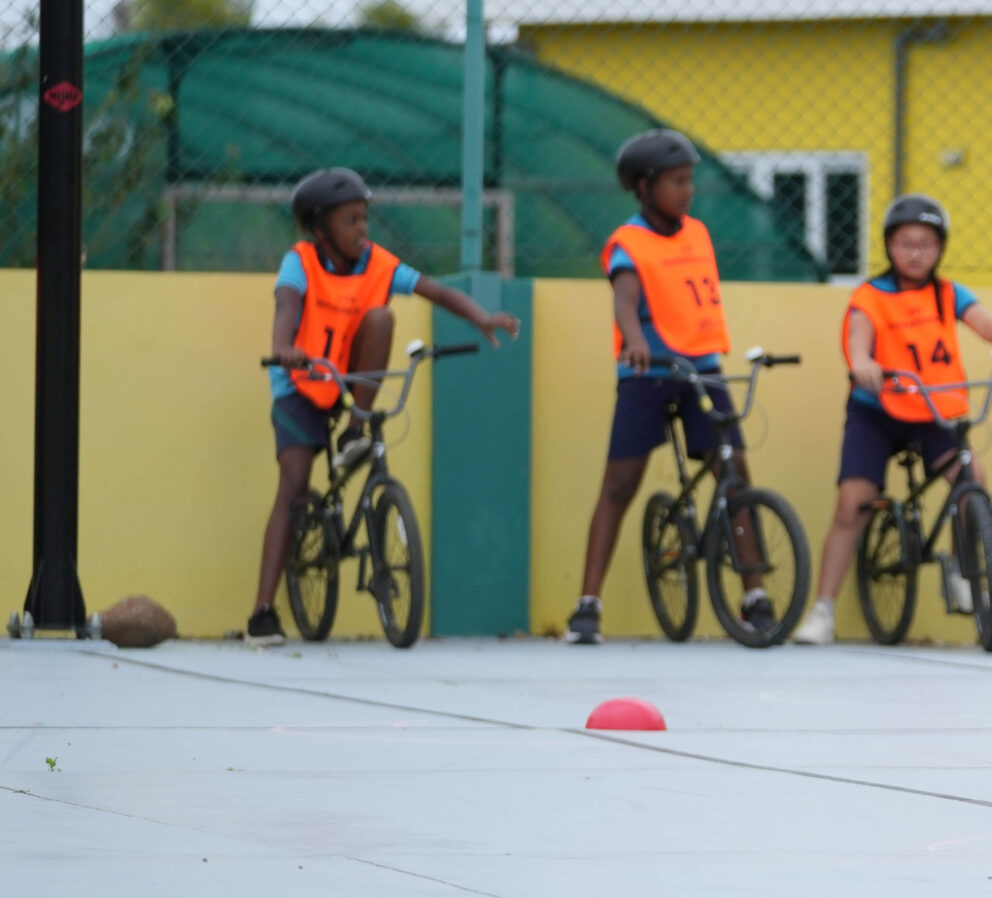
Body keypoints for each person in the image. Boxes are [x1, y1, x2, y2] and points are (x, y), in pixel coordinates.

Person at [254, 168, 519, 646]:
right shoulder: (300, 262)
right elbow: (286, 309)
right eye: (351, 221)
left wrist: (482, 317)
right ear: (320, 230)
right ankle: (263, 613)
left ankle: (357, 430)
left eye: (365, 218)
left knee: (382, 316)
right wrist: (284, 348)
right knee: (294, 483)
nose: (363, 229)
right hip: (300, 380)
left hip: (347, 378)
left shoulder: (378, 263)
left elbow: (435, 290)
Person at [799, 193, 992, 643]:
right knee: (852, 503)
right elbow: (858, 337)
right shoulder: (870, 296)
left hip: (934, 410)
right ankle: (822, 611)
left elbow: (984, 322)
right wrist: (862, 362)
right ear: (889, 247)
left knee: (970, 477)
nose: (915, 252)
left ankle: (961, 571)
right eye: (905, 243)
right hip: (877, 410)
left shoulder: (948, 293)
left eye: (925, 244)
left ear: (939, 249)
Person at [565, 130, 754, 644]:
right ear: (646, 187)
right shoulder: (628, 242)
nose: (688, 191)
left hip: (701, 366)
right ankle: (587, 605)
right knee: (620, 483)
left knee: (734, 471)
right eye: (677, 182)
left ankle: (755, 593)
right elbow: (625, 302)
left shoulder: (698, 233)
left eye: (690, 181)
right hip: (647, 370)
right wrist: (634, 342)